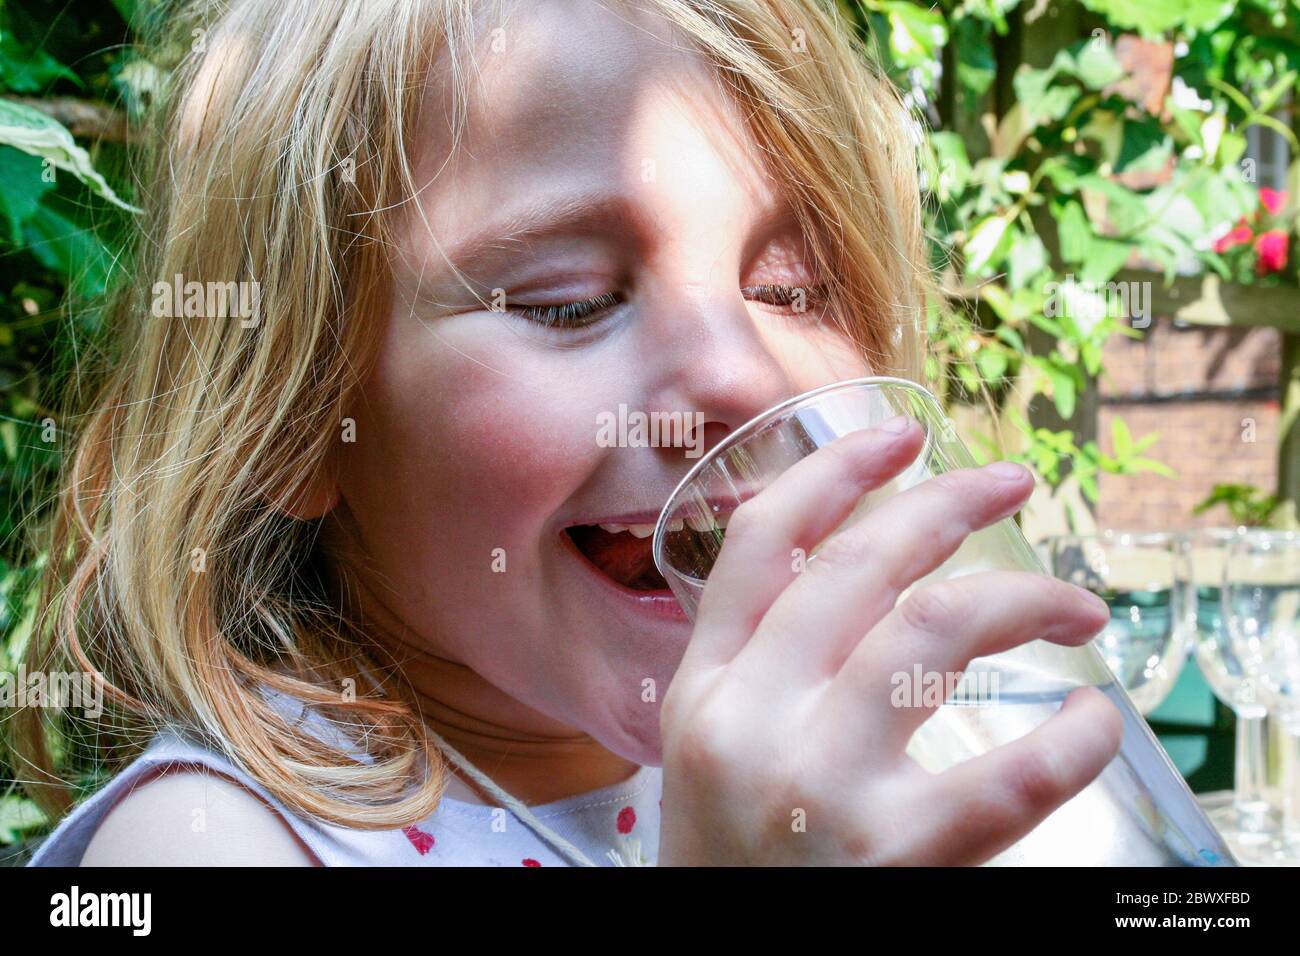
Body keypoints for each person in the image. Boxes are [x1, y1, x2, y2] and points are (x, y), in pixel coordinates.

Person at [17, 0, 1120, 867]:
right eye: (569, 301)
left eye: (794, 288)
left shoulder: (882, 759)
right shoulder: (207, 840)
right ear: (294, 423)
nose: (737, 372)